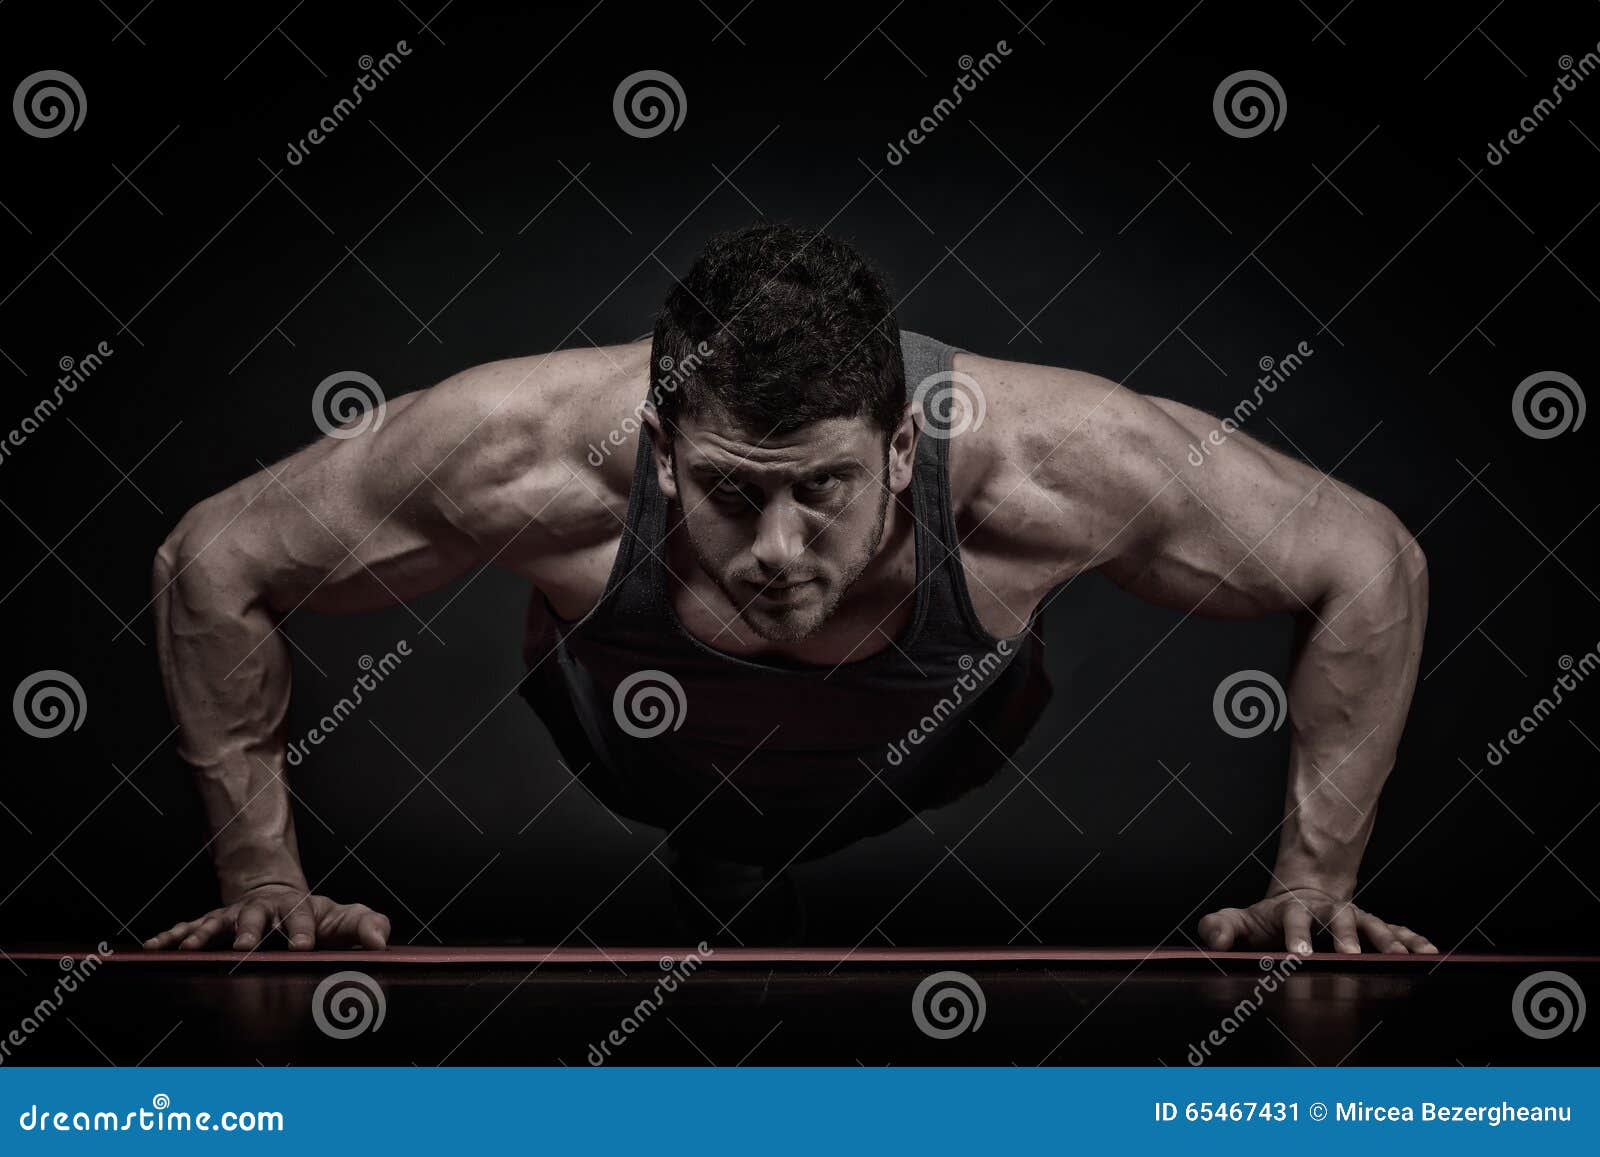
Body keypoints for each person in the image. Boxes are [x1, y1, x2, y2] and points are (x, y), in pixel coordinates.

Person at [143, 223, 1436, 957]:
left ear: (902, 448)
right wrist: (264, 881)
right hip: (632, 747)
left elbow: (1367, 559)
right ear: (660, 450)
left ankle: (753, 840)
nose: (774, 546)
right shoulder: (524, 447)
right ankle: (724, 829)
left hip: (934, 739)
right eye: (726, 490)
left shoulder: (1057, 460)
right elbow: (213, 561)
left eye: (819, 490)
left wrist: (1314, 882)